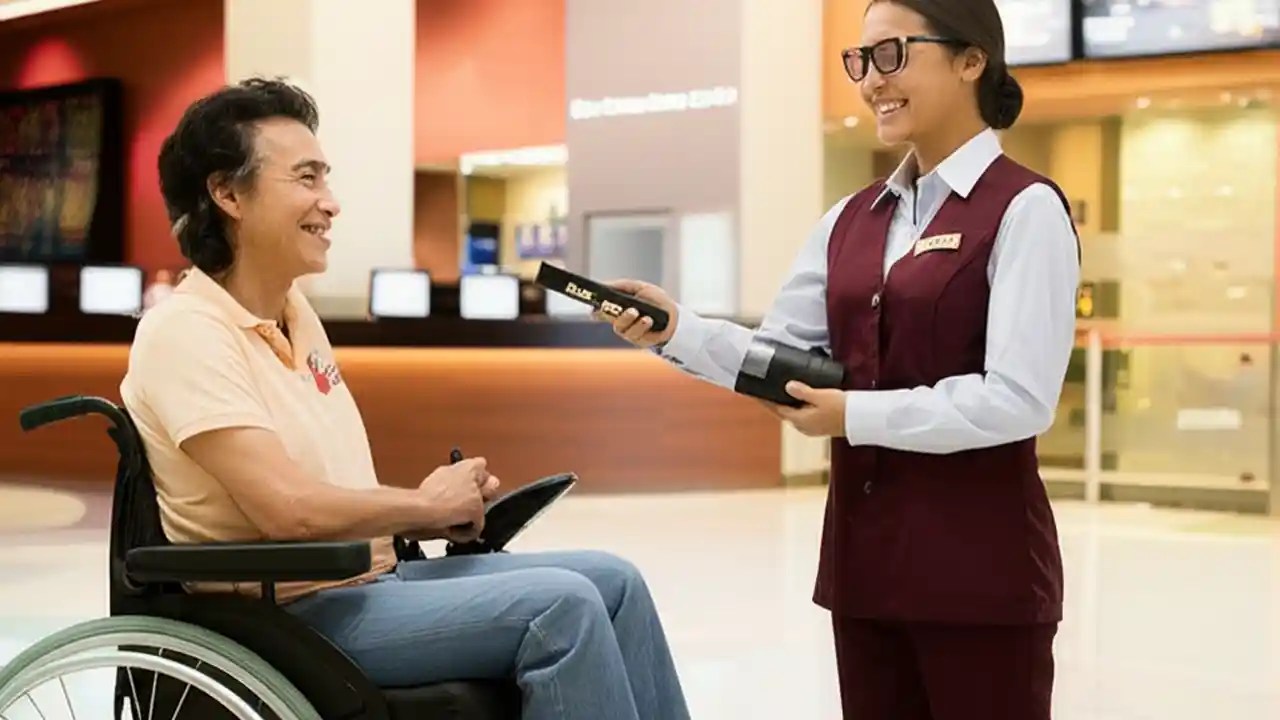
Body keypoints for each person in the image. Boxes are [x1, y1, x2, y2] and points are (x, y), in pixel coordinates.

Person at [119, 77, 689, 720]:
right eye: (305, 179)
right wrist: (419, 505)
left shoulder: (294, 314)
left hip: (363, 579)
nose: (329, 203)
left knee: (617, 581)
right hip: (283, 612)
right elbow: (287, 512)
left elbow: (319, 489)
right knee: (565, 607)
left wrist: (431, 510)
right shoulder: (186, 330)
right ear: (227, 193)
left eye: (325, 179)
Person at [599, 1, 1079, 718]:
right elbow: (782, 356)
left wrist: (853, 414)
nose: (871, 80)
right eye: (861, 61)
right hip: (866, 572)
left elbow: (1017, 398)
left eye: (892, 55)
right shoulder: (851, 218)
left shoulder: (1025, 209)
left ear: (972, 59)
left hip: (980, 576)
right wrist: (677, 330)